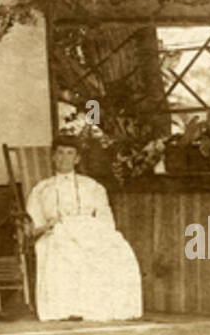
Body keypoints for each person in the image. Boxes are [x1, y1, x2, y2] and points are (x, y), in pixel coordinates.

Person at [25, 137, 143, 322]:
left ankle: (105, 306)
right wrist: (49, 225)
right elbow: (33, 227)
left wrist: (104, 237)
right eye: (60, 153)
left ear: (77, 159)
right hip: (56, 232)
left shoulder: (93, 186)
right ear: (53, 157)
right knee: (64, 250)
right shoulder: (41, 189)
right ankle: (69, 308)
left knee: (118, 249)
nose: (64, 158)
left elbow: (105, 219)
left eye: (70, 153)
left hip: (91, 231)